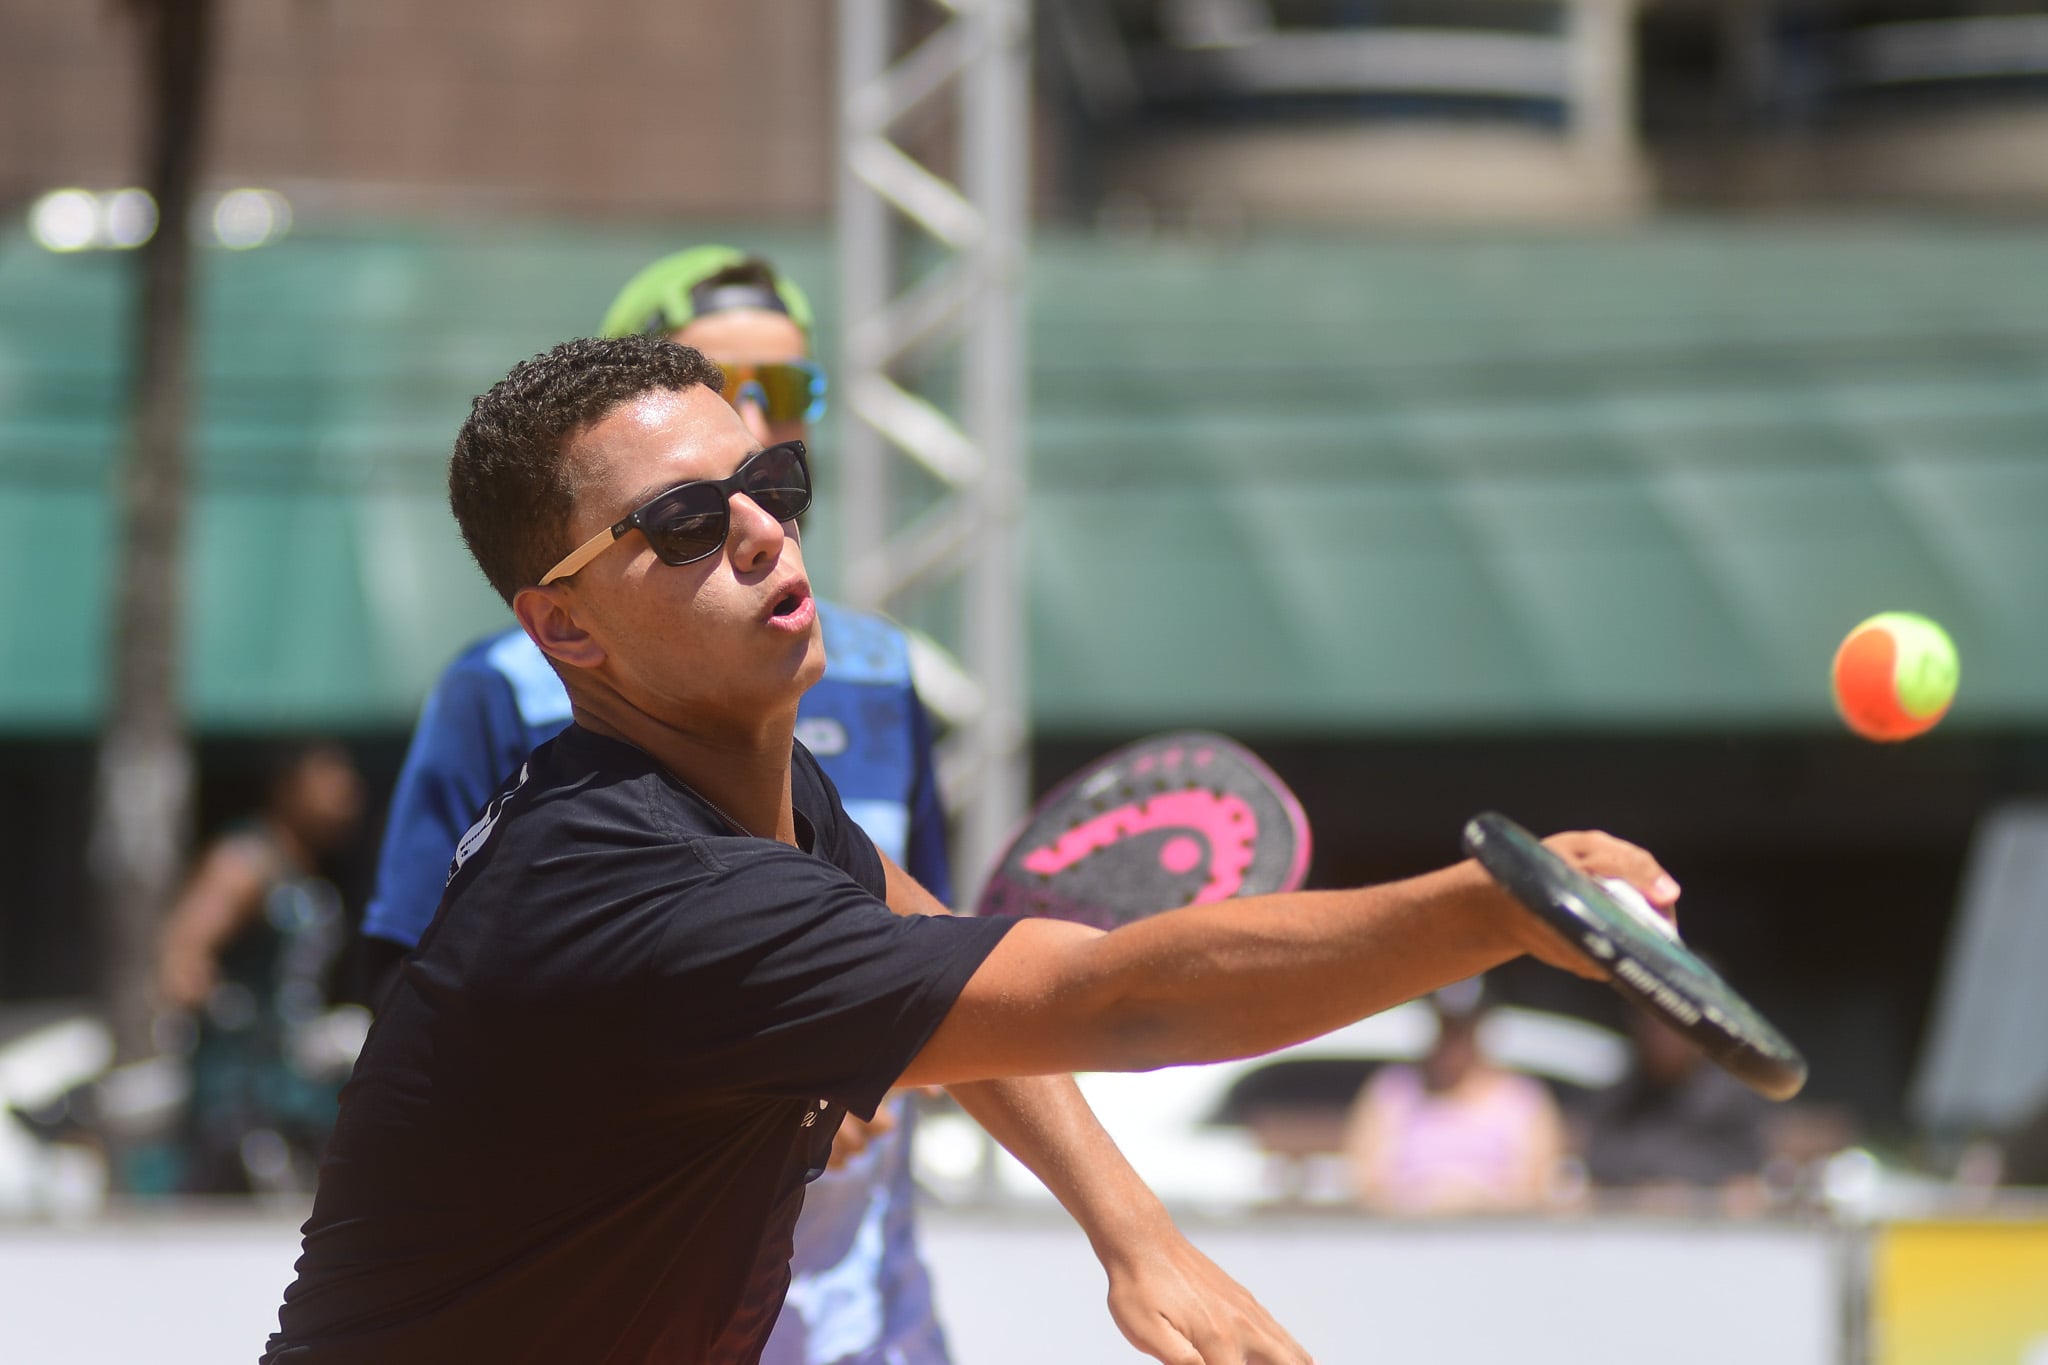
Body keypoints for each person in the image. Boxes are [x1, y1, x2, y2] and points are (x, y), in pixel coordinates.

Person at [266, 335, 1680, 1363]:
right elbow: (1118, 996)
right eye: (686, 523)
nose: (761, 528)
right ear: (563, 627)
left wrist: (1134, 1233)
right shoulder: (635, 887)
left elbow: (931, 929)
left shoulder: (744, 794)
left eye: (771, 479)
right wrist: (1498, 907)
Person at [355, 248, 1250, 1365]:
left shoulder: (867, 668)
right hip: (628, 1287)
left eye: (789, 397)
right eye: (734, 393)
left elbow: (931, 957)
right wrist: (726, 1085)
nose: (765, 433)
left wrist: (1128, 1231)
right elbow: (424, 1004)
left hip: (857, 1301)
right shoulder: (503, 690)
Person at [156, 742, 365, 1193]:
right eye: (329, 784)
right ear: (287, 789)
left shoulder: (311, 870)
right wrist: (229, 1013)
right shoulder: (245, 862)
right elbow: (183, 953)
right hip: (242, 1093)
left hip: (297, 1087)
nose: (346, 798)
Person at [1342, 980, 1565, 1214]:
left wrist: (1475, 1201)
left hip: (1497, 1236)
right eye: (1447, 1026)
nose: (1454, 1039)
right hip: (1406, 1235)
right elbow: (1364, 1179)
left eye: (1463, 1028)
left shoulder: (1521, 1097)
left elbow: (1538, 1187)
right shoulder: (1394, 1089)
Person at [1581, 1006, 1771, 1209]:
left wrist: (1687, 1195)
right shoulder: (1618, 1099)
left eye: (1672, 1027)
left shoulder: (1731, 1100)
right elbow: (1599, 1173)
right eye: (1652, 1025)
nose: (1661, 1037)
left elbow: (1746, 1180)